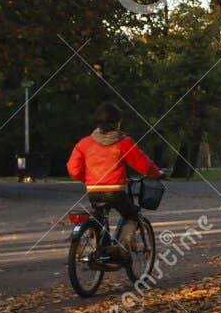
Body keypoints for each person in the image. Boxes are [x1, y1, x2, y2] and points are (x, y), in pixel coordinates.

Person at [67, 103, 161, 252]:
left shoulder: (84, 144)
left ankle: (99, 250)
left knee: (98, 219)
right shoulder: (123, 142)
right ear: (118, 122)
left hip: (93, 191)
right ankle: (123, 247)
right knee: (131, 214)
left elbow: (73, 170)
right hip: (115, 191)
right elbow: (142, 163)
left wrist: (89, 179)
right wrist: (156, 174)